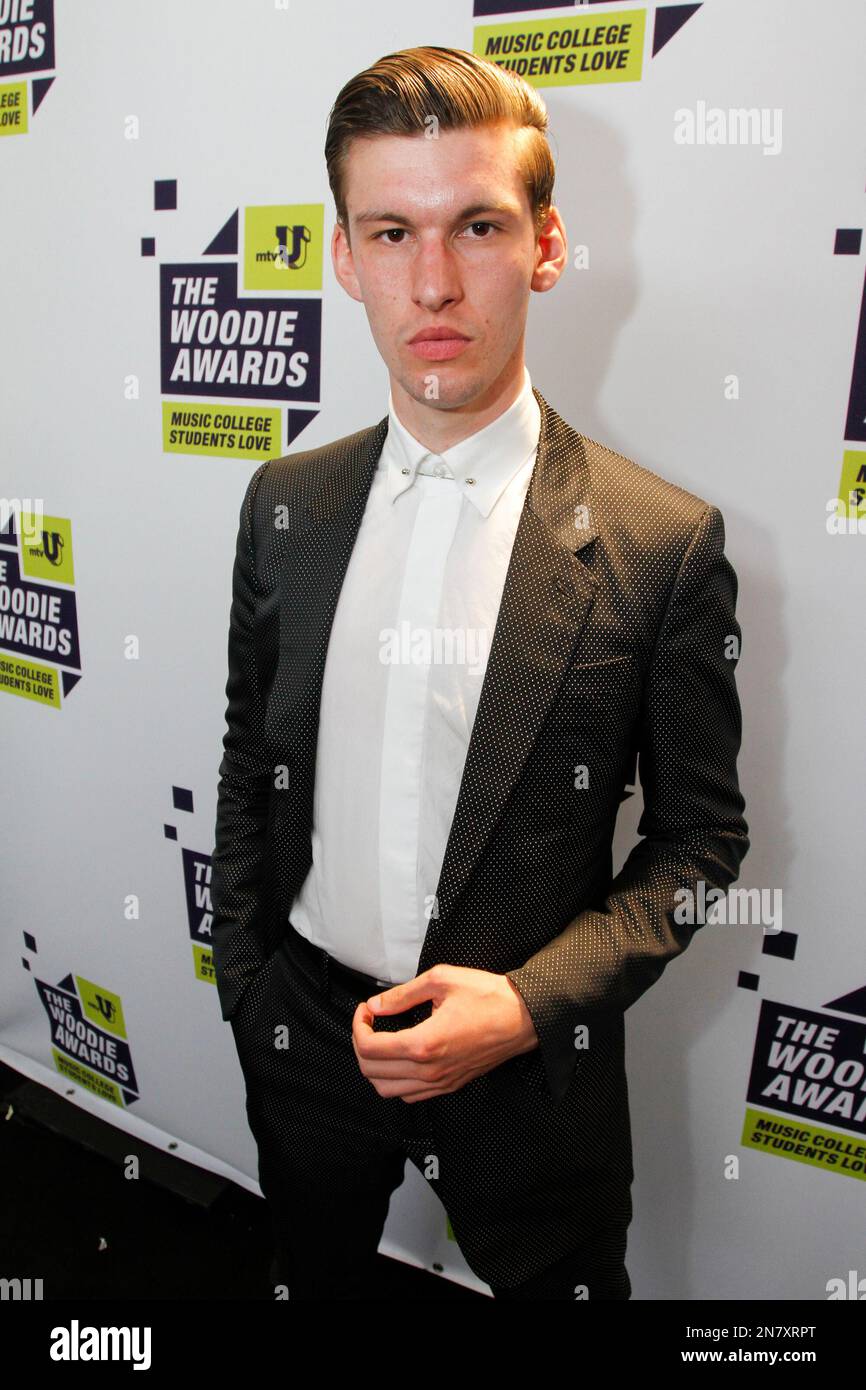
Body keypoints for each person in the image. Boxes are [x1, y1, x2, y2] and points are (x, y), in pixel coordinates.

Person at [211, 45, 749, 1300]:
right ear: (342, 257)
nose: (433, 281)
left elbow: (698, 844)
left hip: (531, 1078)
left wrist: (523, 1007)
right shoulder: (283, 501)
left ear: (546, 246)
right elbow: (250, 758)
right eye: (389, 232)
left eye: (477, 226)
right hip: (305, 1038)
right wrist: (247, 979)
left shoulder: (660, 544)